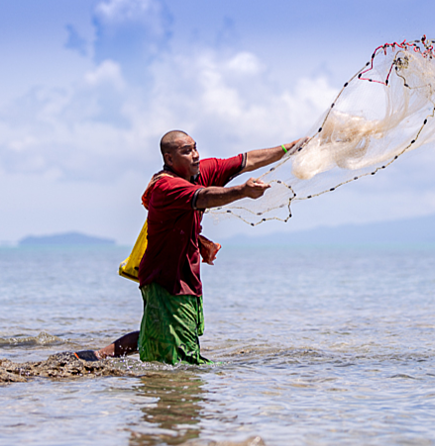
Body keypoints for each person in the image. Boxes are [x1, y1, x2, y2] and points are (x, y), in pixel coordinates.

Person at [76, 130, 304, 364]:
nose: (195, 155)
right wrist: (243, 192)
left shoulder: (199, 171)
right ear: (169, 159)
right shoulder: (166, 187)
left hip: (182, 276)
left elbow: (246, 161)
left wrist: (292, 147)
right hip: (166, 279)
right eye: (186, 151)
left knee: (159, 332)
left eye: (195, 148)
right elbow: (204, 197)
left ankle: (95, 357)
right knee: (183, 356)